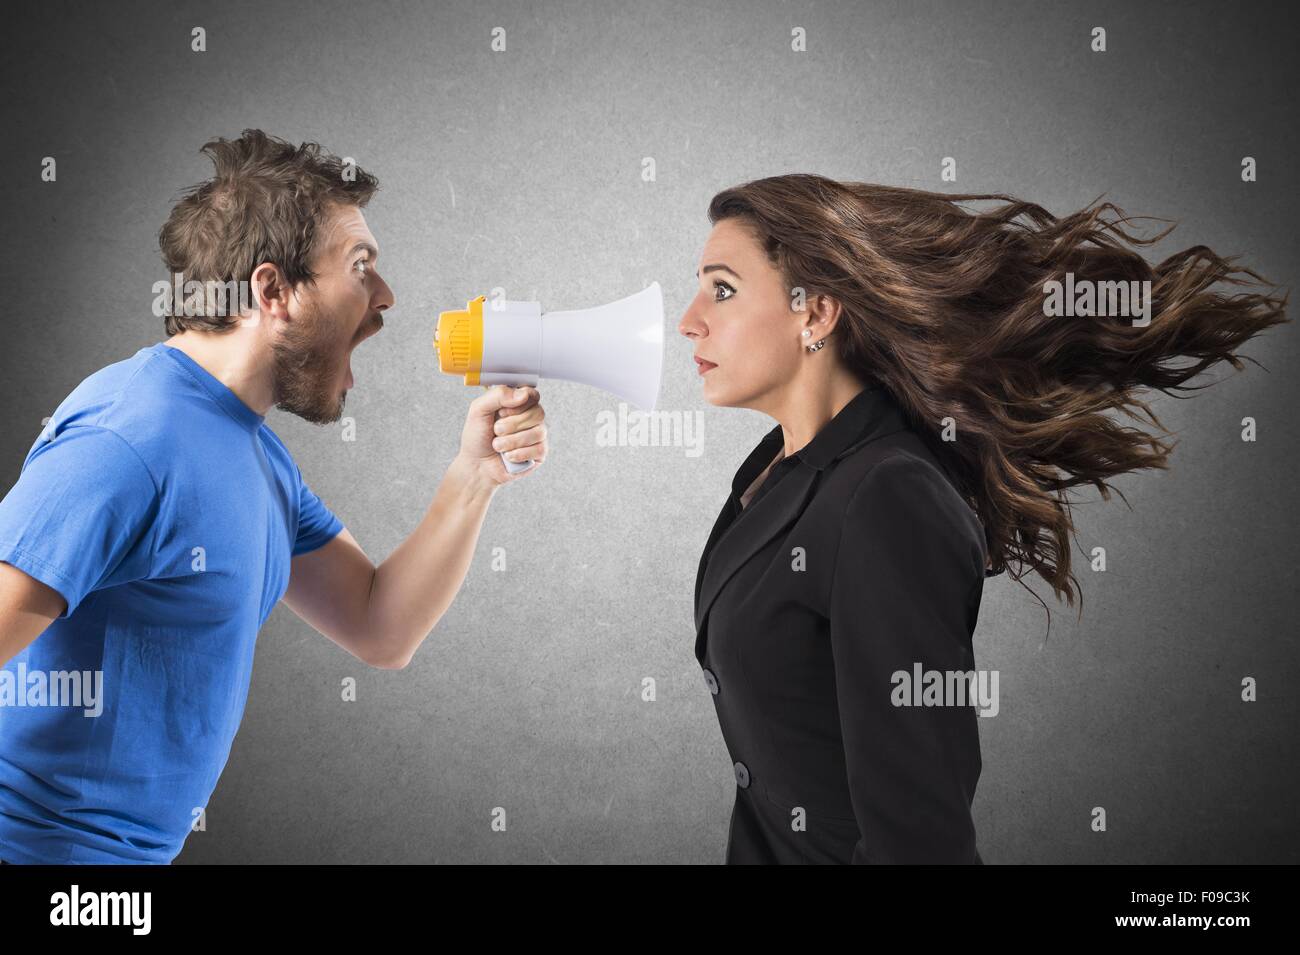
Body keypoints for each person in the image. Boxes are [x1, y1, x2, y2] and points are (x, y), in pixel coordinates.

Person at [678, 174, 1287, 864]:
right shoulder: (778, 471)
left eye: (722, 289)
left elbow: (919, 833)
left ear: (816, 313)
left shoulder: (887, 498)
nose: (688, 318)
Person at [0, 129, 548, 864]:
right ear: (273, 291)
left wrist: (475, 473)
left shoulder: (256, 456)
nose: (385, 297)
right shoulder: (128, 437)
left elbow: (380, 625)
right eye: (360, 267)